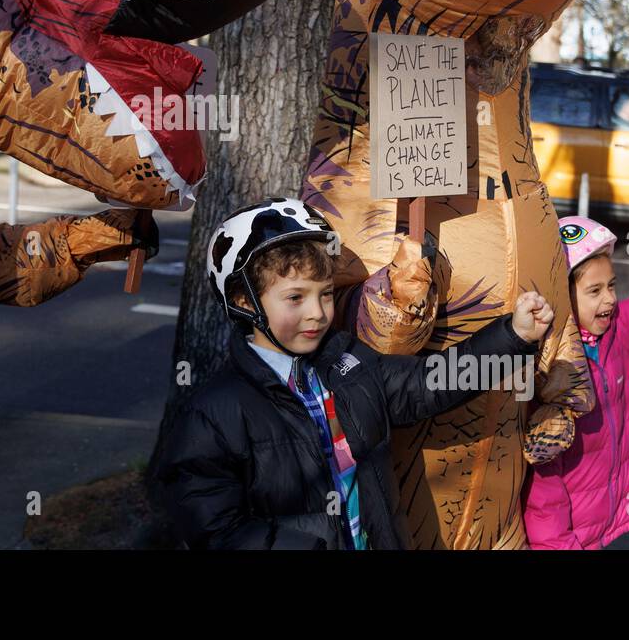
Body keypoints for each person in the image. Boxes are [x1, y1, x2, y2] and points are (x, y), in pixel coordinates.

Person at [155, 197, 554, 550]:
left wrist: (512, 336)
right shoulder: (214, 414)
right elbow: (216, 528)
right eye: (295, 297)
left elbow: (427, 384)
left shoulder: (348, 365)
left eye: (325, 293)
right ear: (243, 301)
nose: (318, 312)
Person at [522, 193, 629, 549]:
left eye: (612, 285)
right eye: (595, 290)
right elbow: (544, 488)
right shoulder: (547, 366)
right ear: (561, 295)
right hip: (568, 534)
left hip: (606, 516)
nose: (611, 299)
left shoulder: (619, 333)